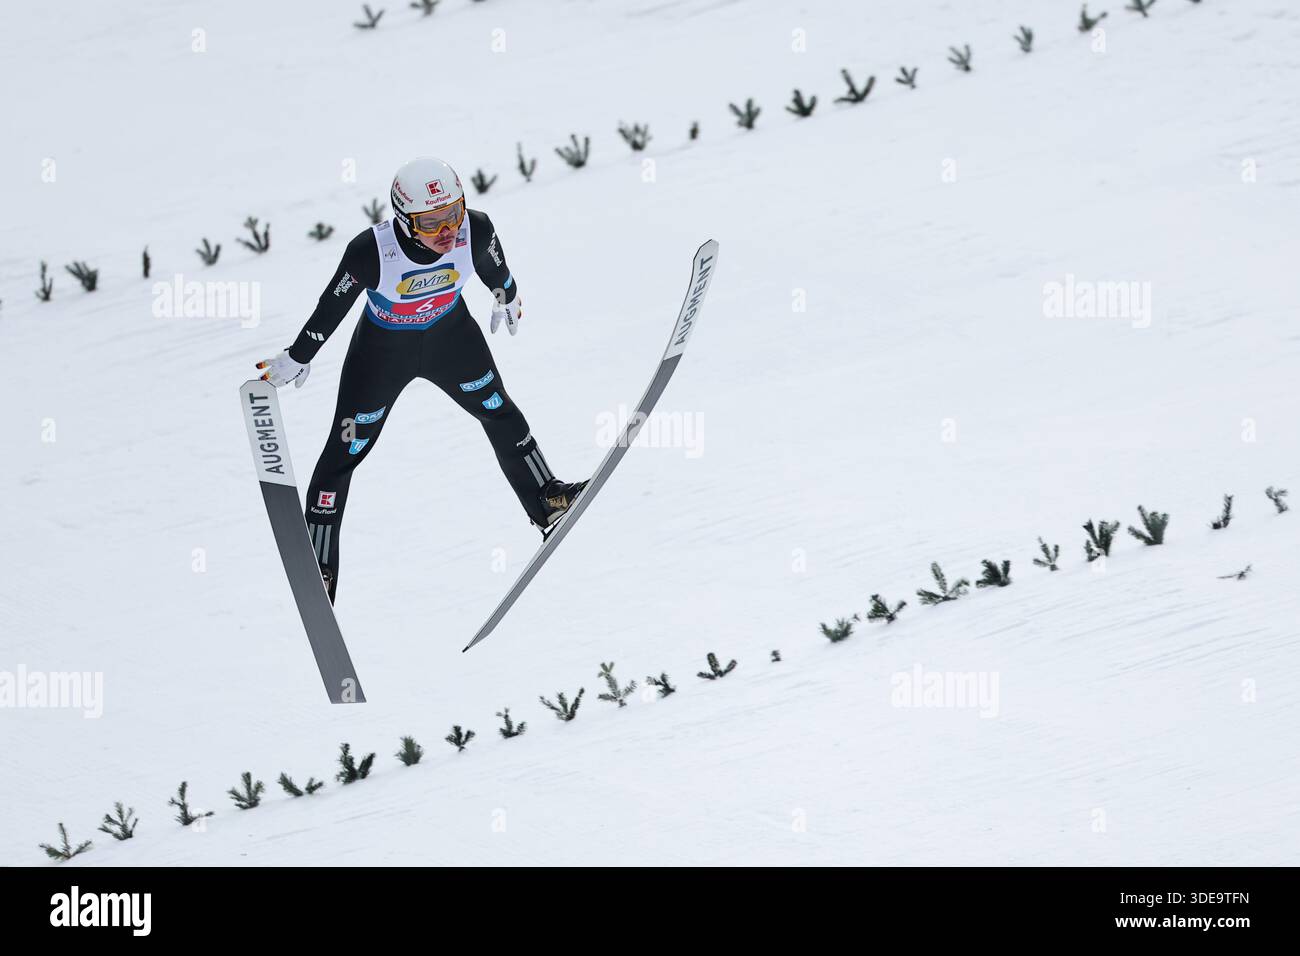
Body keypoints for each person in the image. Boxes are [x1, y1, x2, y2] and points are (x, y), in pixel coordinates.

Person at [255, 156, 585, 603]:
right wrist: (300, 355)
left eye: (454, 214)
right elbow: (332, 306)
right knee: (345, 450)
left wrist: (506, 296)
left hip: (452, 341)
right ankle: (320, 566)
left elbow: (495, 270)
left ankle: (547, 501)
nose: (447, 231)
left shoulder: (477, 229)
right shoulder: (370, 251)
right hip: (381, 354)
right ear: (404, 220)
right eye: (431, 223)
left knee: (498, 411)